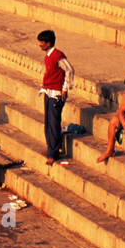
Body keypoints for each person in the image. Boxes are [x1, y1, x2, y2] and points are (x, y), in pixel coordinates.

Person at [37, 29, 74, 165]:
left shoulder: (58, 55)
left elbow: (69, 70)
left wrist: (65, 89)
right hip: (48, 91)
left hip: (57, 93)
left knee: (53, 123)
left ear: (48, 43)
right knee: (48, 122)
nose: (39, 45)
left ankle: (54, 153)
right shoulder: (48, 55)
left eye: (42, 42)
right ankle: (50, 148)